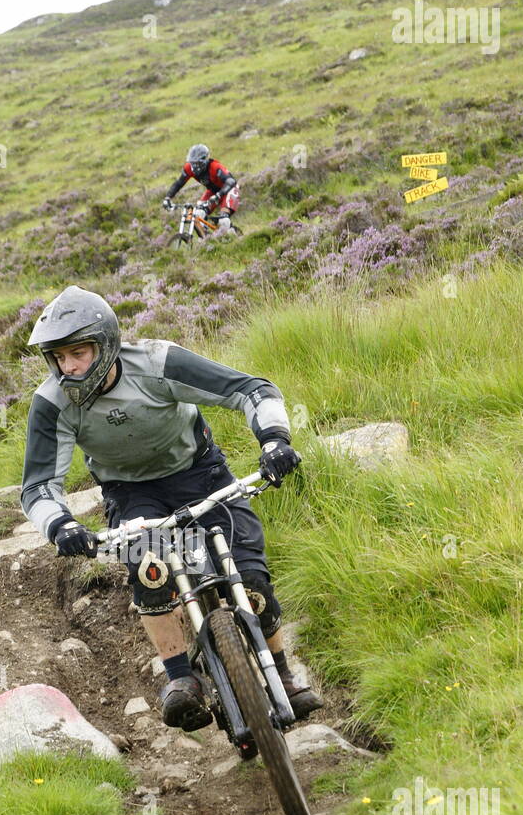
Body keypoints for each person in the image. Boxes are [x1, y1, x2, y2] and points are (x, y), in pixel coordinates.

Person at [20, 286, 323, 731]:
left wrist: (275, 439)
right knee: (149, 568)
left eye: (78, 353)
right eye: (59, 358)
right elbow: (38, 486)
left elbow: (250, 389)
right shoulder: (52, 403)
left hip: (201, 474)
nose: (68, 367)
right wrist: (61, 525)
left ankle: (282, 674)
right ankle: (182, 679)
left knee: (251, 578)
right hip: (131, 492)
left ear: (104, 344)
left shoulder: (158, 363)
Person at [162, 143, 240, 236]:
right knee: (197, 215)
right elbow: (179, 183)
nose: (194, 166)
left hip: (228, 190)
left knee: (223, 221)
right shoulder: (188, 168)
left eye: (197, 163)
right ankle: (206, 240)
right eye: (192, 163)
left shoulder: (215, 167)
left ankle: (234, 236)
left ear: (204, 161)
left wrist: (219, 195)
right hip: (212, 191)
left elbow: (231, 181)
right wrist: (167, 198)